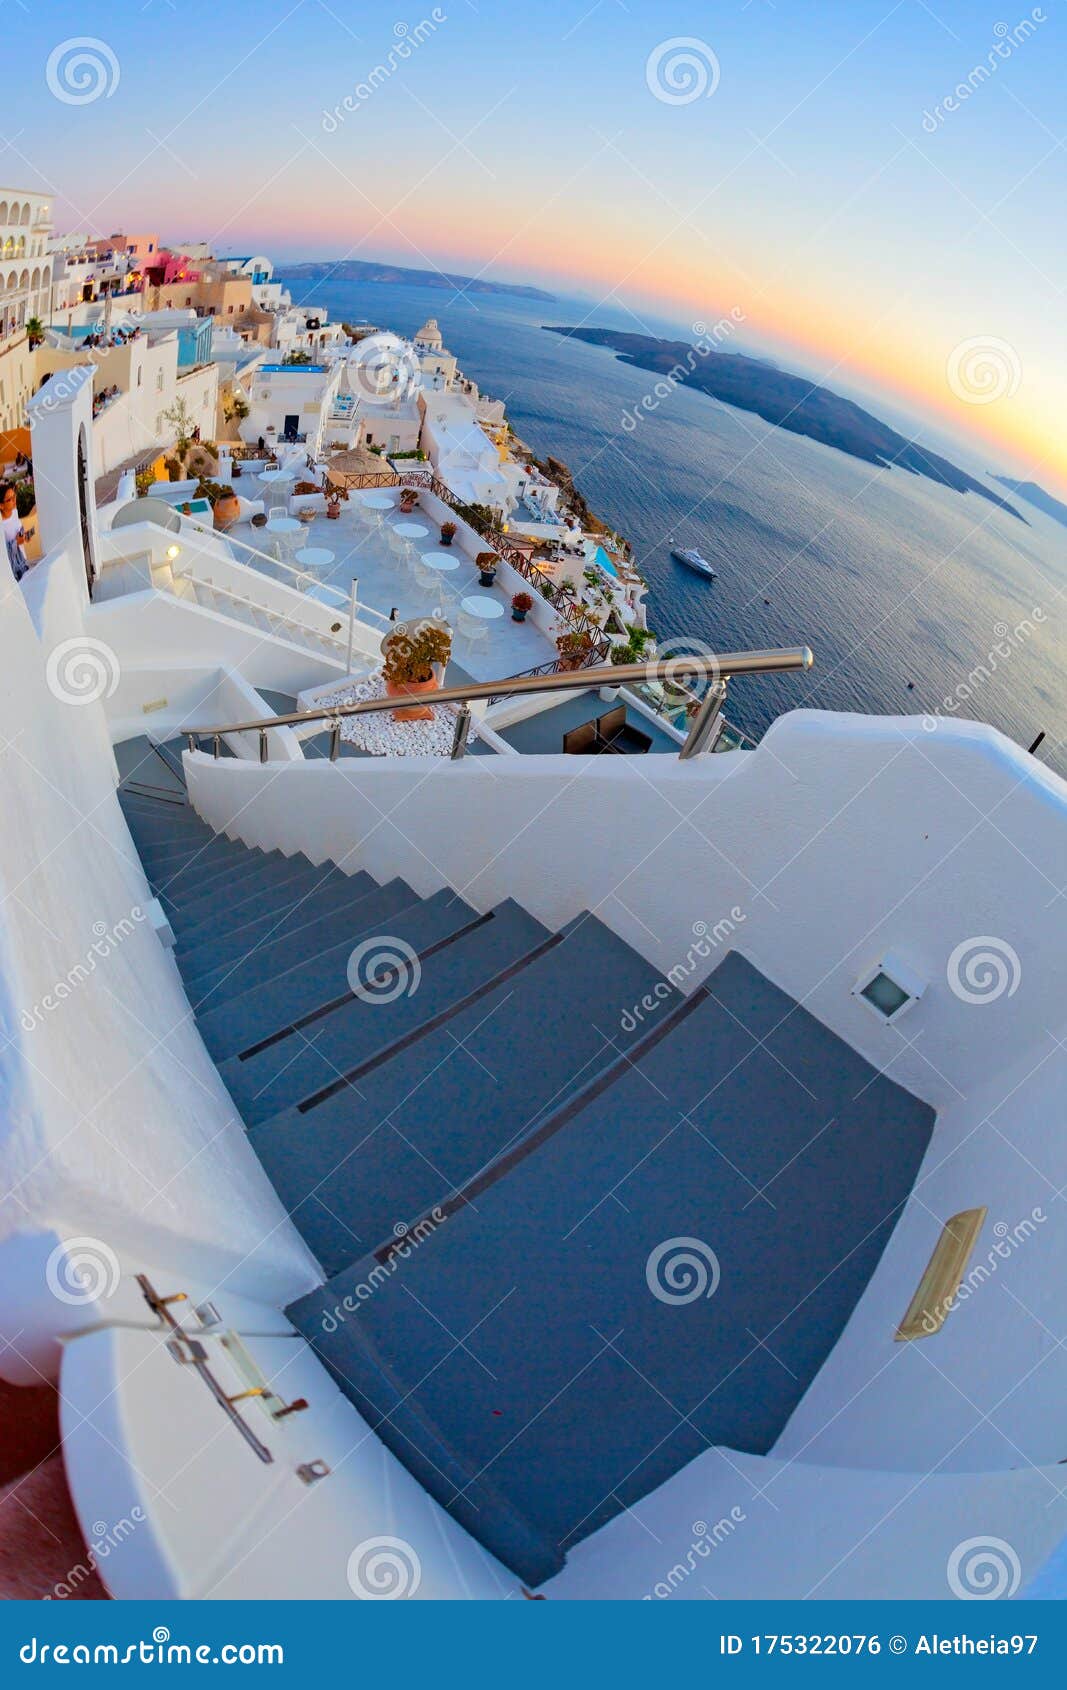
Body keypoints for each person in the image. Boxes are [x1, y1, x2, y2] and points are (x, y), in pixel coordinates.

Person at [2, 485, 30, 582]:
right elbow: (3, 554)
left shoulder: (14, 512)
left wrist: (24, 535)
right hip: (13, 572)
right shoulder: (1, 525)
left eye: (14, 496)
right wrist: (16, 542)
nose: (14, 500)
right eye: (10, 499)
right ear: (1, 505)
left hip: (23, 562)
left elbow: (18, 529)